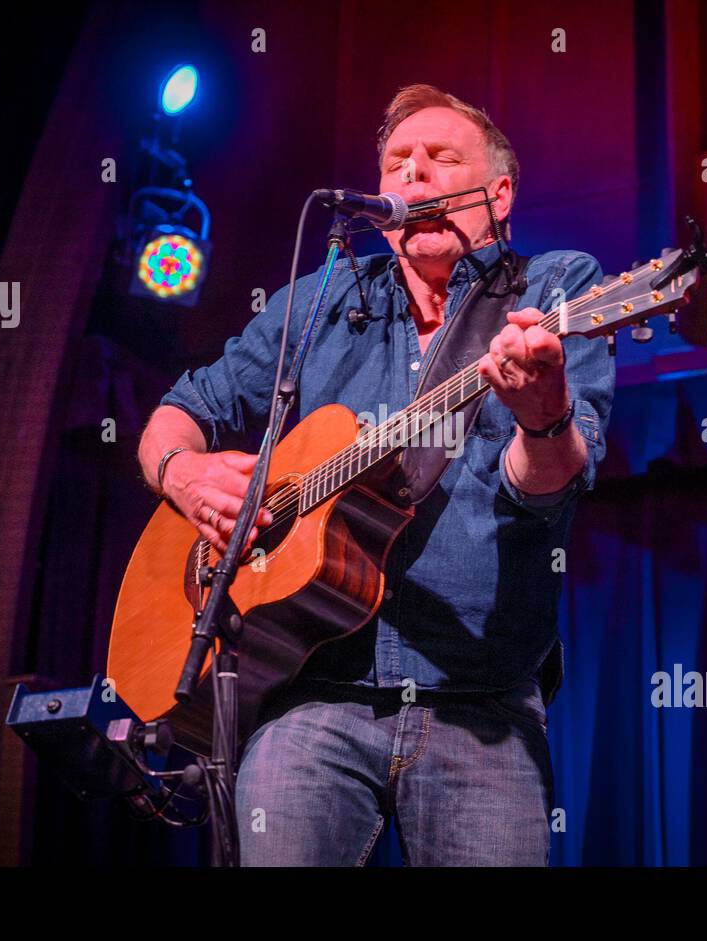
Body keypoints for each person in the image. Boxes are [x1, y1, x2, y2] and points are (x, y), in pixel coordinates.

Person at [137, 84, 614, 865]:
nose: (413, 175)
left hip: (480, 706)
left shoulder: (552, 291)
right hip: (309, 698)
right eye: (397, 162)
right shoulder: (321, 301)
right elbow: (178, 411)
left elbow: (549, 484)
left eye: (440, 159)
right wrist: (183, 474)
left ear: (498, 193)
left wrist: (542, 414)